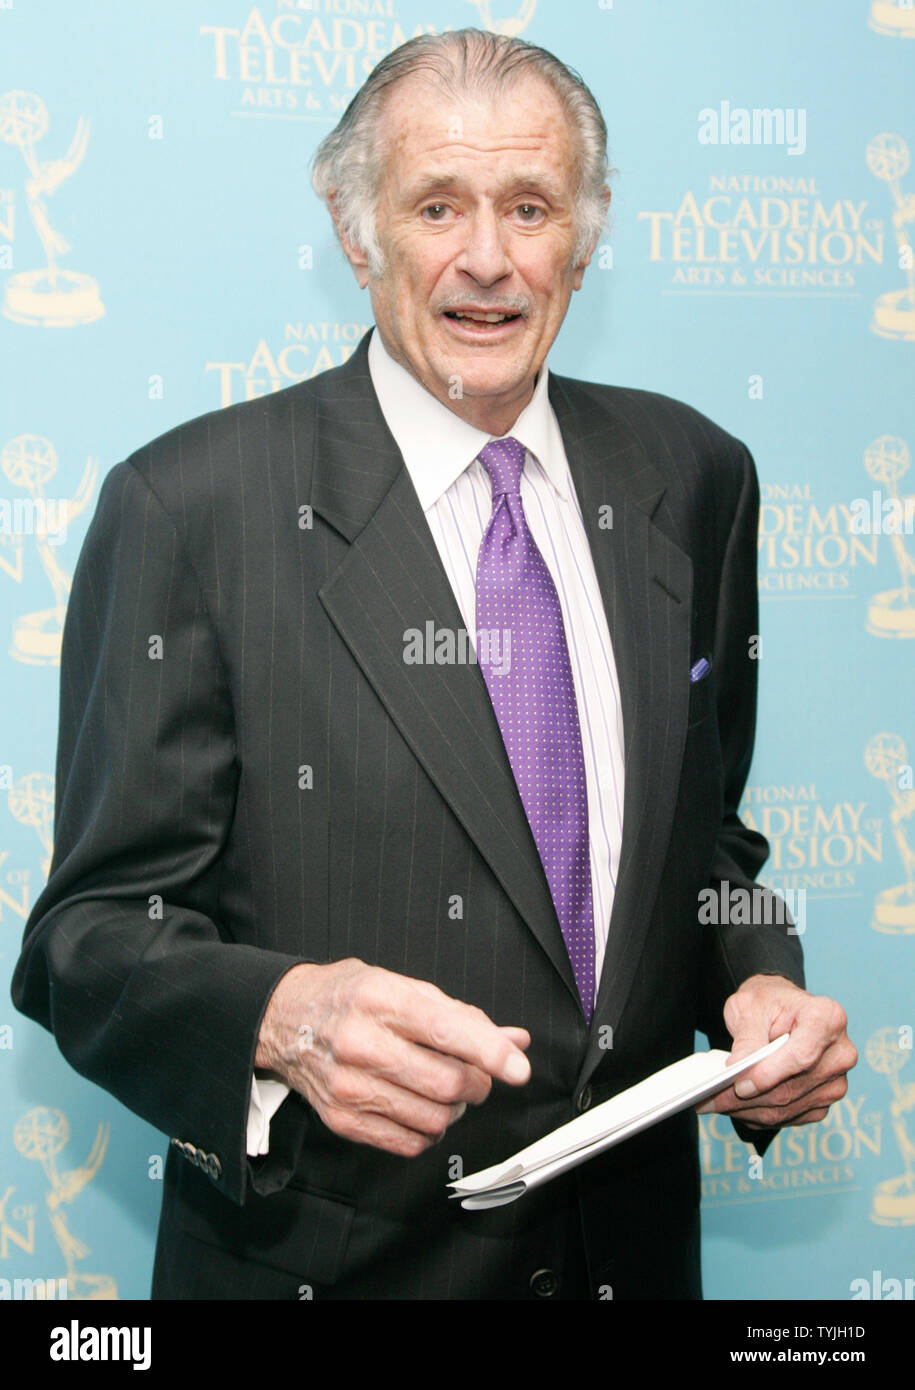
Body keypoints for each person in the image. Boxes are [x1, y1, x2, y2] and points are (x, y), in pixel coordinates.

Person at [11, 28, 856, 1300]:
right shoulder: (196, 508)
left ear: (589, 227)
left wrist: (759, 985)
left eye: (530, 207)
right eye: (436, 205)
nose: (488, 259)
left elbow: (706, 847)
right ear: (357, 233)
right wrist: (283, 1016)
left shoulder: (696, 479)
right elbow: (86, 942)